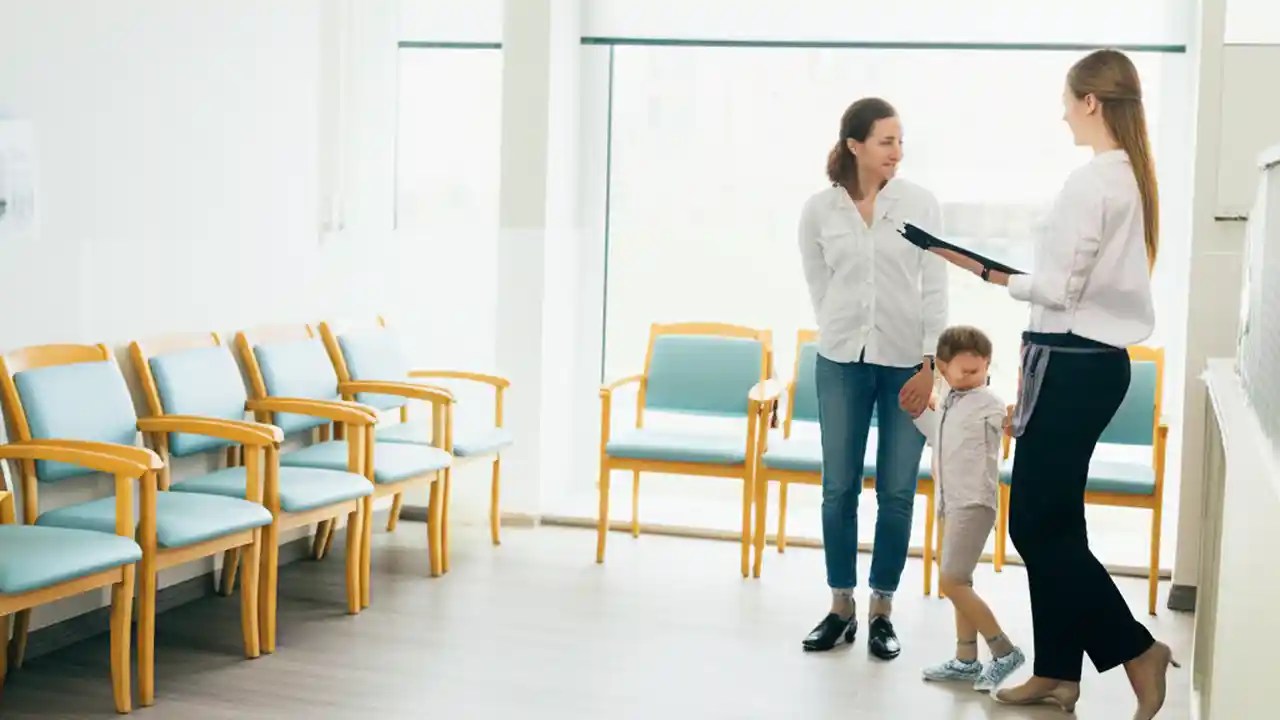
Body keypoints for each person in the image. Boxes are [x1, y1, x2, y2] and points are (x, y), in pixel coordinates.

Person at [925, 49, 1177, 718]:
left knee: (1037, 526)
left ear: (1091, 102)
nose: (1063, 113)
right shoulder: (1124, 177)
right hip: (1086, 363)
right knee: (1056, 524)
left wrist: (992, 276)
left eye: (1069, 100)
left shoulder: (1093, 181)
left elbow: (1059, 289)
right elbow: (1077, 283)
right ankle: (1060, 673)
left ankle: (1136, 649)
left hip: (1070, 362)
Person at [796, 97, 948, 659]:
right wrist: (839, 329)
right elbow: (820, 285)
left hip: (908, 361)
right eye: (887, 141)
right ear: (854, 145)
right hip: (839, 359)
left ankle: (883, 607)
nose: (897, 152)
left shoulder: (920, 205)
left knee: (898, 490)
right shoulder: (820, 210)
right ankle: (841, 606)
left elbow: (935, 287)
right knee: (838, 489)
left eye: (901, 141)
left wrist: (930, 363)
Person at [912, 326, 1025, 691]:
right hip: (949, 499)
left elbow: (1011, 424)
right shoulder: (946, 397)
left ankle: (1004, 650)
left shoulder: (988, 402)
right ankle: (965, 659)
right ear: (943, 368)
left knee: (951, 581)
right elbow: (938, 433)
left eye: (980, 370)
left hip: (974, 503)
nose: (974, 378)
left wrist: (1015, 416)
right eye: (965, 371)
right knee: (960, 580)